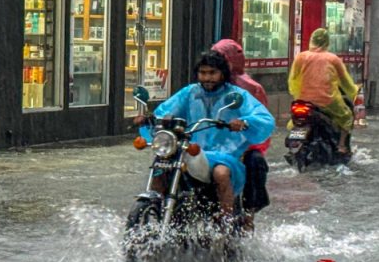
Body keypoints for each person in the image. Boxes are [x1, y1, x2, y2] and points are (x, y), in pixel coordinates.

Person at [135, 51, 275, 219]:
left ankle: (225, 223)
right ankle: (157, 209)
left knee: (221, 174)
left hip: (225, 155)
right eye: (203, 73)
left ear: (222, 74)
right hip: (191, 150)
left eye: (212, 73)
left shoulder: (236, 95)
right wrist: (149, 119)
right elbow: (165, 112)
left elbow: (264, 119)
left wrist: (244, 122)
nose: (207, 77)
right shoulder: (189, 93)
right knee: (161, 166)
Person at [211, 39, 270, 226]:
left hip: (242, 147)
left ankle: (248, 215)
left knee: (255, 163)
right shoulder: (205, 86)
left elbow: (262, 126)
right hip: (209, 144)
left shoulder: (252, 89)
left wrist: (247, 146)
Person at [288, 28, 358, 156]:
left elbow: (293, 79)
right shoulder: (333, 59)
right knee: (347, 116)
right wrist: (354, 90)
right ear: (327, 42)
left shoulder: (300, 57)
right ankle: (342, 146)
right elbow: (345, 82)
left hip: (303, 101)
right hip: (328, 101)